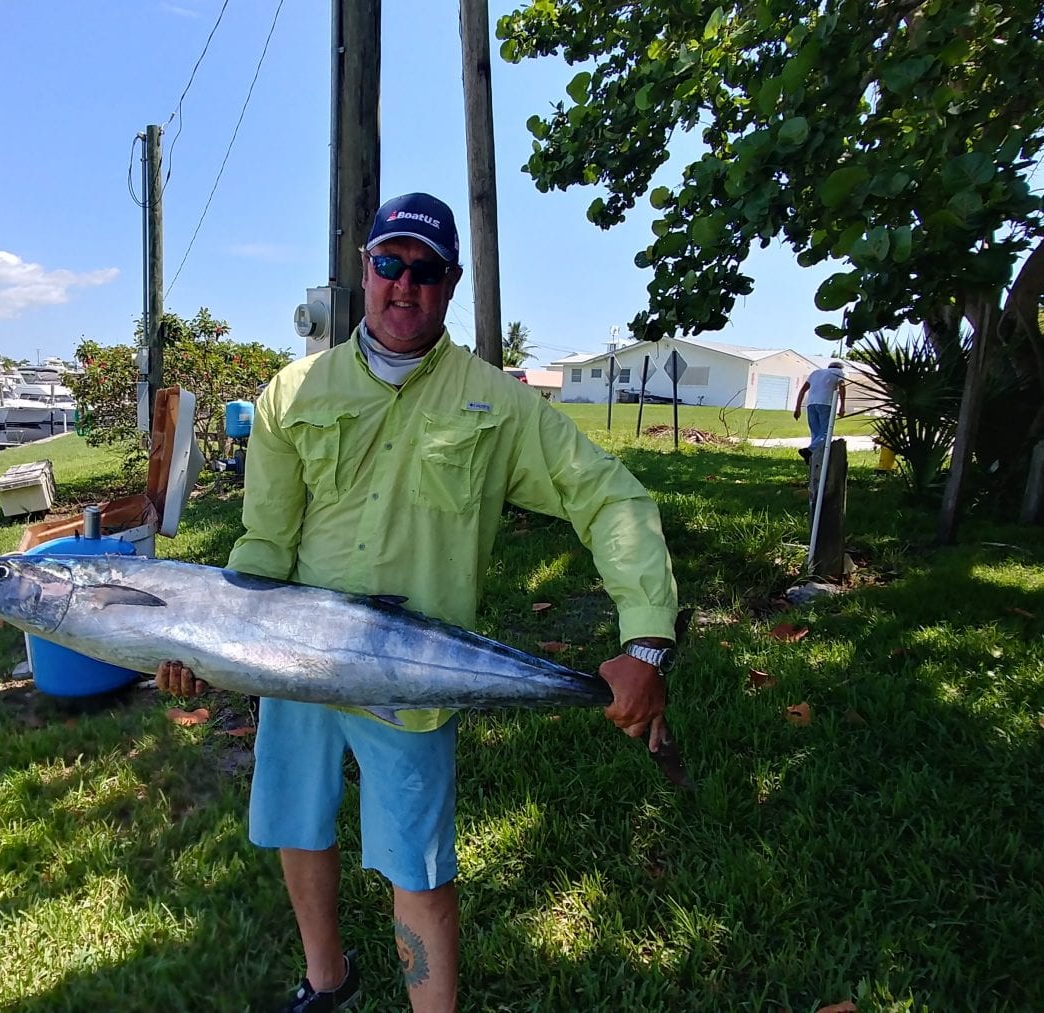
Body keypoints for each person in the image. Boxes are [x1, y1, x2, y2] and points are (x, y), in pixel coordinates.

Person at [156, 192, 679, 1013]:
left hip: (416, 673)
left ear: (452, 282)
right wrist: (207, 644)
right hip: (294, 654)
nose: (405, 285)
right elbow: (260, 548)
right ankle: (327, 980)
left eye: (426, 271)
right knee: (299, 821)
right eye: (390, 264)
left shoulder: (497, 403)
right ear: (363, 270)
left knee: (420, 867)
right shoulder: (292, 393)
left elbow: (608, 497)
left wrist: (646, 641)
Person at [792, 359, 847, 460]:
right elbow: (842, 387)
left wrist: (797, 407)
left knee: (815, 433)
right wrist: (842, 405)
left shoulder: (815, 373)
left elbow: (803, 390)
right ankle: (810, 451)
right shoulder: (839, 372)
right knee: (826, 432)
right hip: (826, 403)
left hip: (811, 404)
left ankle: (814, 457)